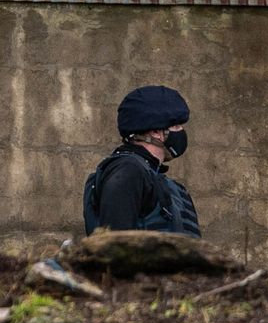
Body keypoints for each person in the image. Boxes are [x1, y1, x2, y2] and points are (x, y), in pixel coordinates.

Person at [82, 85, 199, 237]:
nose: (181, 131)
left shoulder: (159, 181)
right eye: (176, 126)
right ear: (157, 131)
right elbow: (115, 247)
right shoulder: (128, 171)